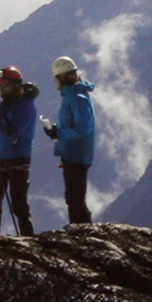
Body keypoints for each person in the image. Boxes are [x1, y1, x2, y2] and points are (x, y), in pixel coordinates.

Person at [0, 66, 38, 236]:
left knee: (18, 202)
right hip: (1, 157)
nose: (1, 89)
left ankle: (28, 236)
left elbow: (12, 132)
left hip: (18, 159)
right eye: (0, 85)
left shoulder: (26, 107)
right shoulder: (5, 105)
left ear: (14, 86)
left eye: (4, 85)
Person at [43, 56, 96, 226]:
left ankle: (83, 232)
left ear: (62, 77)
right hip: (74, 154)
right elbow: (73, 124)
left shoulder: (77, 98)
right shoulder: (73, 95)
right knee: (73, 197)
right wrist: (56, 129)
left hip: (77, 155)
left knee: (75, 199)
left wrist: (60, 133)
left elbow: (84, 129)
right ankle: (81, 232)